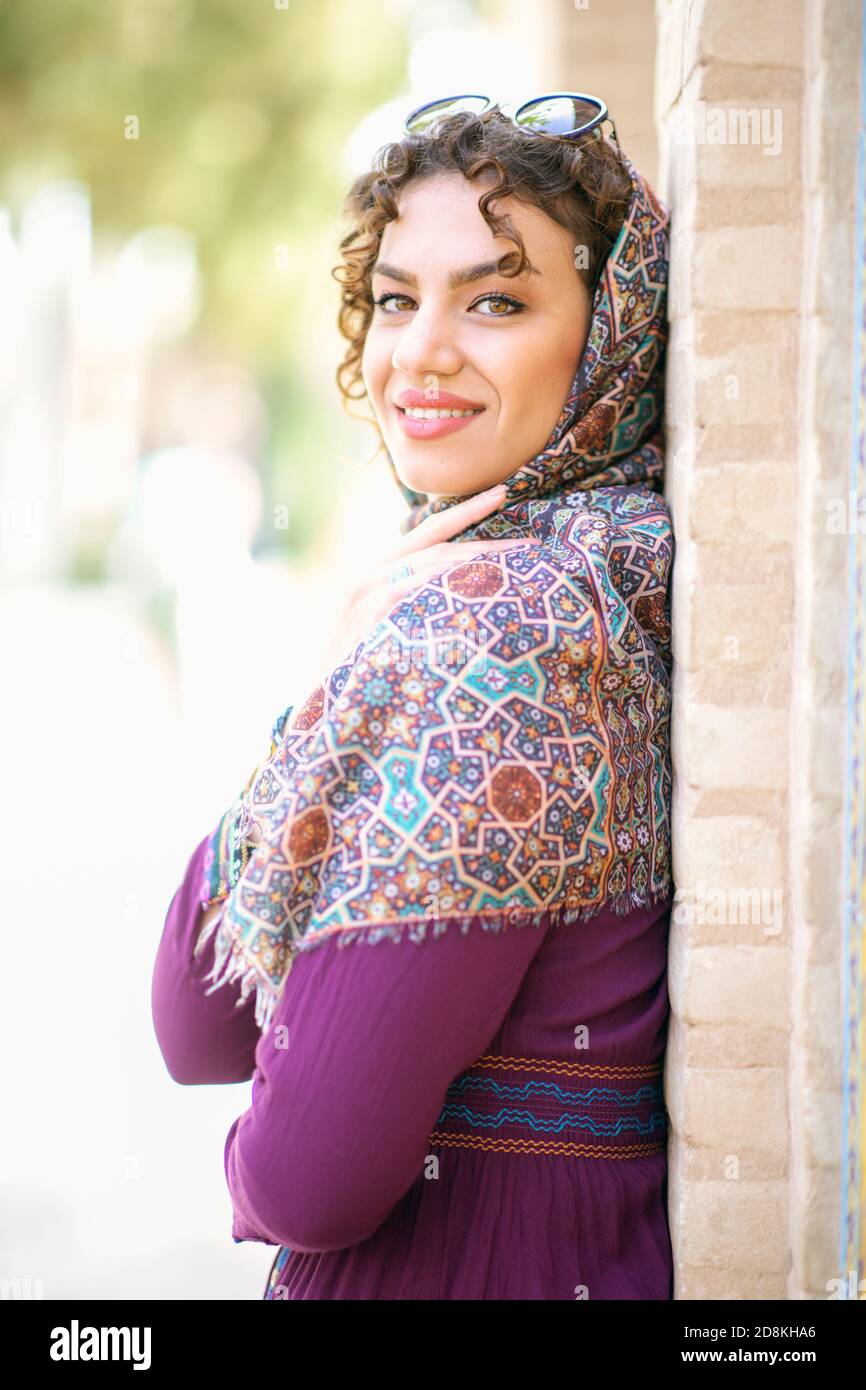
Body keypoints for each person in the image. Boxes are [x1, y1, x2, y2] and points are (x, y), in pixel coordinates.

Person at [151, 95, 676, 1300]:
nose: (419, 350)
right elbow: (201, 1012)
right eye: (396, 297)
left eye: (495, 300)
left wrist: (245, 1161)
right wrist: (338, 673)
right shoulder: (584, 581)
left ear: (608, 341)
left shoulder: (502, 632)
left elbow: (303, 1177)